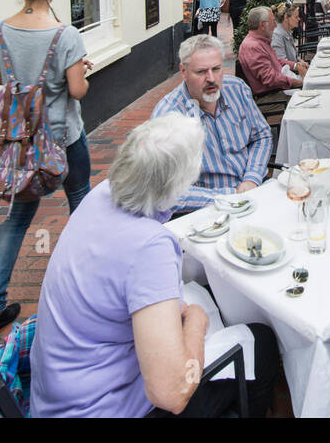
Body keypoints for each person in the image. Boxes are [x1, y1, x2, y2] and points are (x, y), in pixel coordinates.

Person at [30, 113, 278, 417]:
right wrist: (197, 324)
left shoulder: (100, 195)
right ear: (181, 183)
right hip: (100, 406)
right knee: (262, 343)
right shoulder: (150, 246)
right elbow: (171, 394)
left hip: (61, 388)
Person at [0, 0, 93, 337]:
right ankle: (86, 288)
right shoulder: (66, 35)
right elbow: (76, 91)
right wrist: (81, 71)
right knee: (81, 206)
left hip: (21, 144)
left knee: (18, 218)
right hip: (62, 138)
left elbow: (2, 80)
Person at [151, 34, 273, 212]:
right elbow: (164, 192)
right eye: (201, 72)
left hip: (253, 191)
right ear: (183, 71)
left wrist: (252, 178)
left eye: (216, 69)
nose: (211, 78)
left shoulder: (237, 89)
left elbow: (261, 135)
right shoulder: (168, 116)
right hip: (207, 210)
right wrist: (229, 196)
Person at [238, 6, 308, 96]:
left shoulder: (260, 41)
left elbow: (276, 60)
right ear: (262, 25)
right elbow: (270, 79)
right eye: (273, 22)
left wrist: (296, 66)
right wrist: (298, 82)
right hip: (270, 96)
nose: (275, 26)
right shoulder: (253, 47)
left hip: (277, 90)